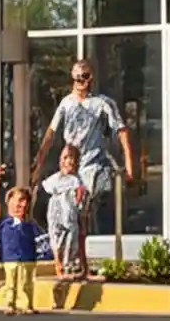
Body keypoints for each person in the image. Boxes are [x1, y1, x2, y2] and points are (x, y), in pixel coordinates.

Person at [31, 58, 134, 278]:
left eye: (85, 77)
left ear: (91, 78)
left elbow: (121, 131)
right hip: (69, 165)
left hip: (90, 165)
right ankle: (66, 263)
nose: (81, 82)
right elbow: (51, 133)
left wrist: (129, 164)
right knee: (64, 217)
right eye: (77, 78)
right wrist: (40, 160)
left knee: (81, 216)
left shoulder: (102, 103)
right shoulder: (66, 103)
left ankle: (81, 265)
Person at [0, 165, 43, 316]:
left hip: (27, 257)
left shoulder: (30, 225)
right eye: (18, 200)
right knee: (10, 283)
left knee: (26, 282)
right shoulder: (4, 222)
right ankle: (10, 304)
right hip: (10, 256)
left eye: (24, 201)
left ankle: (27, 305)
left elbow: (40, 240)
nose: (21, 205)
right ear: (9, 202)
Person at [40, 144, 86, 278]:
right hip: (56, 210)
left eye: (72, 159)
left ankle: (68, 263)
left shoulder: (75, 180)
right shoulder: (54, 178)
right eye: (65, 158)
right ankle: (58, 263)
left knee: (71, 234)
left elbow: (79, 192)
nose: (68, 162)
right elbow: (45, 189)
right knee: (55, 235)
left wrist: (78, 204)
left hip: (69, 211)